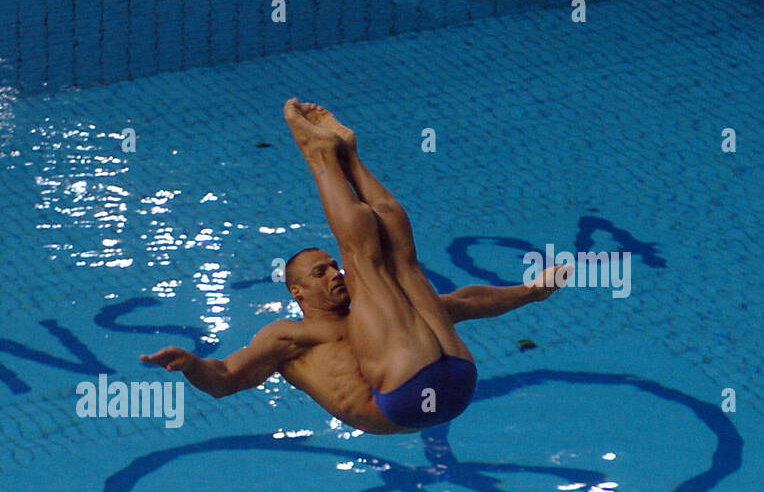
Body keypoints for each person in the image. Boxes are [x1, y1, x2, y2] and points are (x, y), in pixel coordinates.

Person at [141, 99, 569, 434]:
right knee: (367, 259)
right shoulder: (290, 337)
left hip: (456, 378)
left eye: (330, 266)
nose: (333, 274)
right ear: (298, 294)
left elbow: (466, 303)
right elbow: (227, 379)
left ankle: (347, 154)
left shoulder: (381, 316)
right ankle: (321, 156)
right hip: (401, 399)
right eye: (319, 273)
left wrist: (531, 291)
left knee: (401, 260)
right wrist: (192, 365)